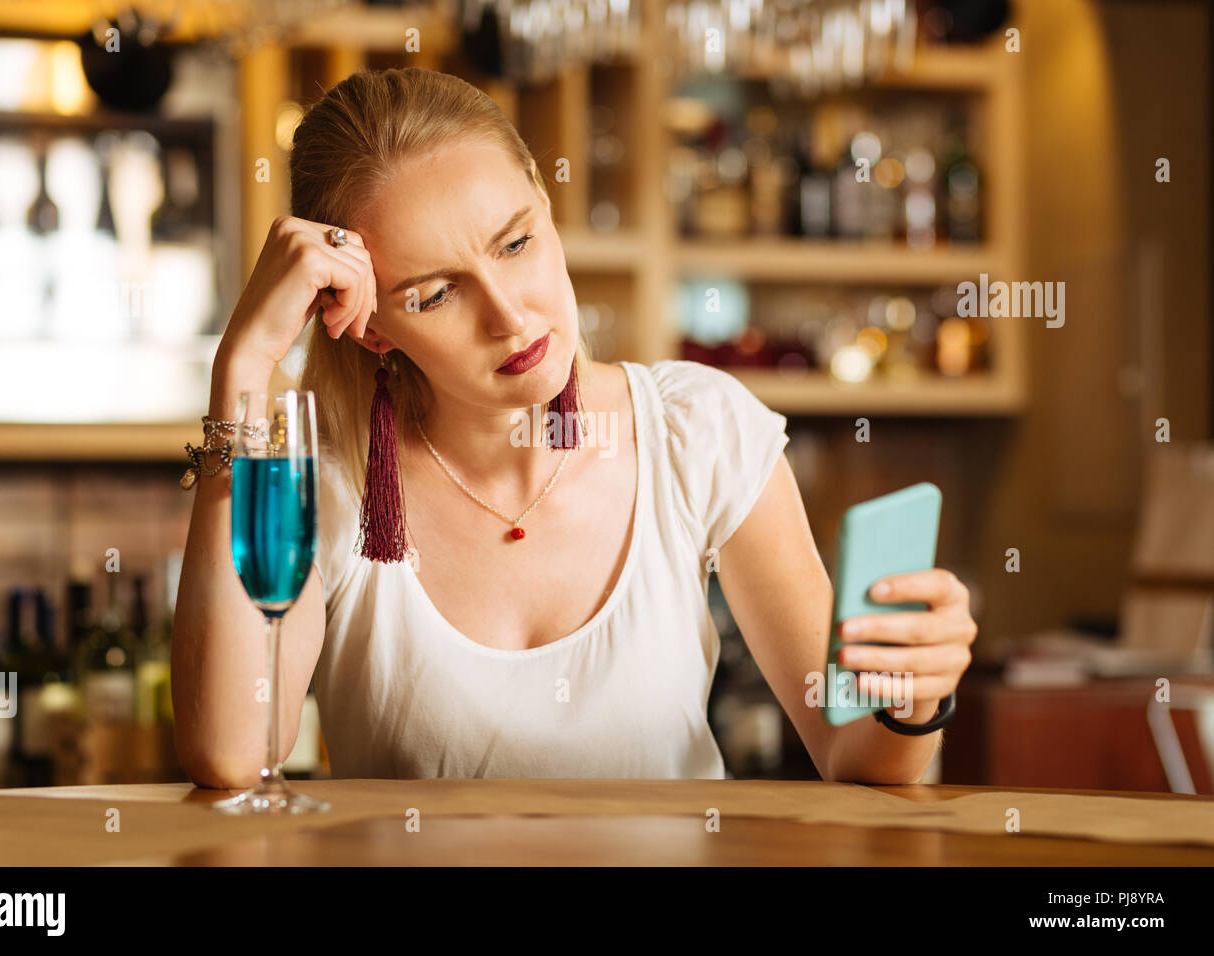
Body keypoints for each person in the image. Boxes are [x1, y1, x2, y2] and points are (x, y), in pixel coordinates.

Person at [172, 67, 977, 786]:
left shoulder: (699, 433)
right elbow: (232, 755)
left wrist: (912, 697)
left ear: (546, 204)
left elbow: (851, 754)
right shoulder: (325, 481)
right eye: (436, 294)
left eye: (517, 242)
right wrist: (242, 365)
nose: (508, 314)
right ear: (372, 328)